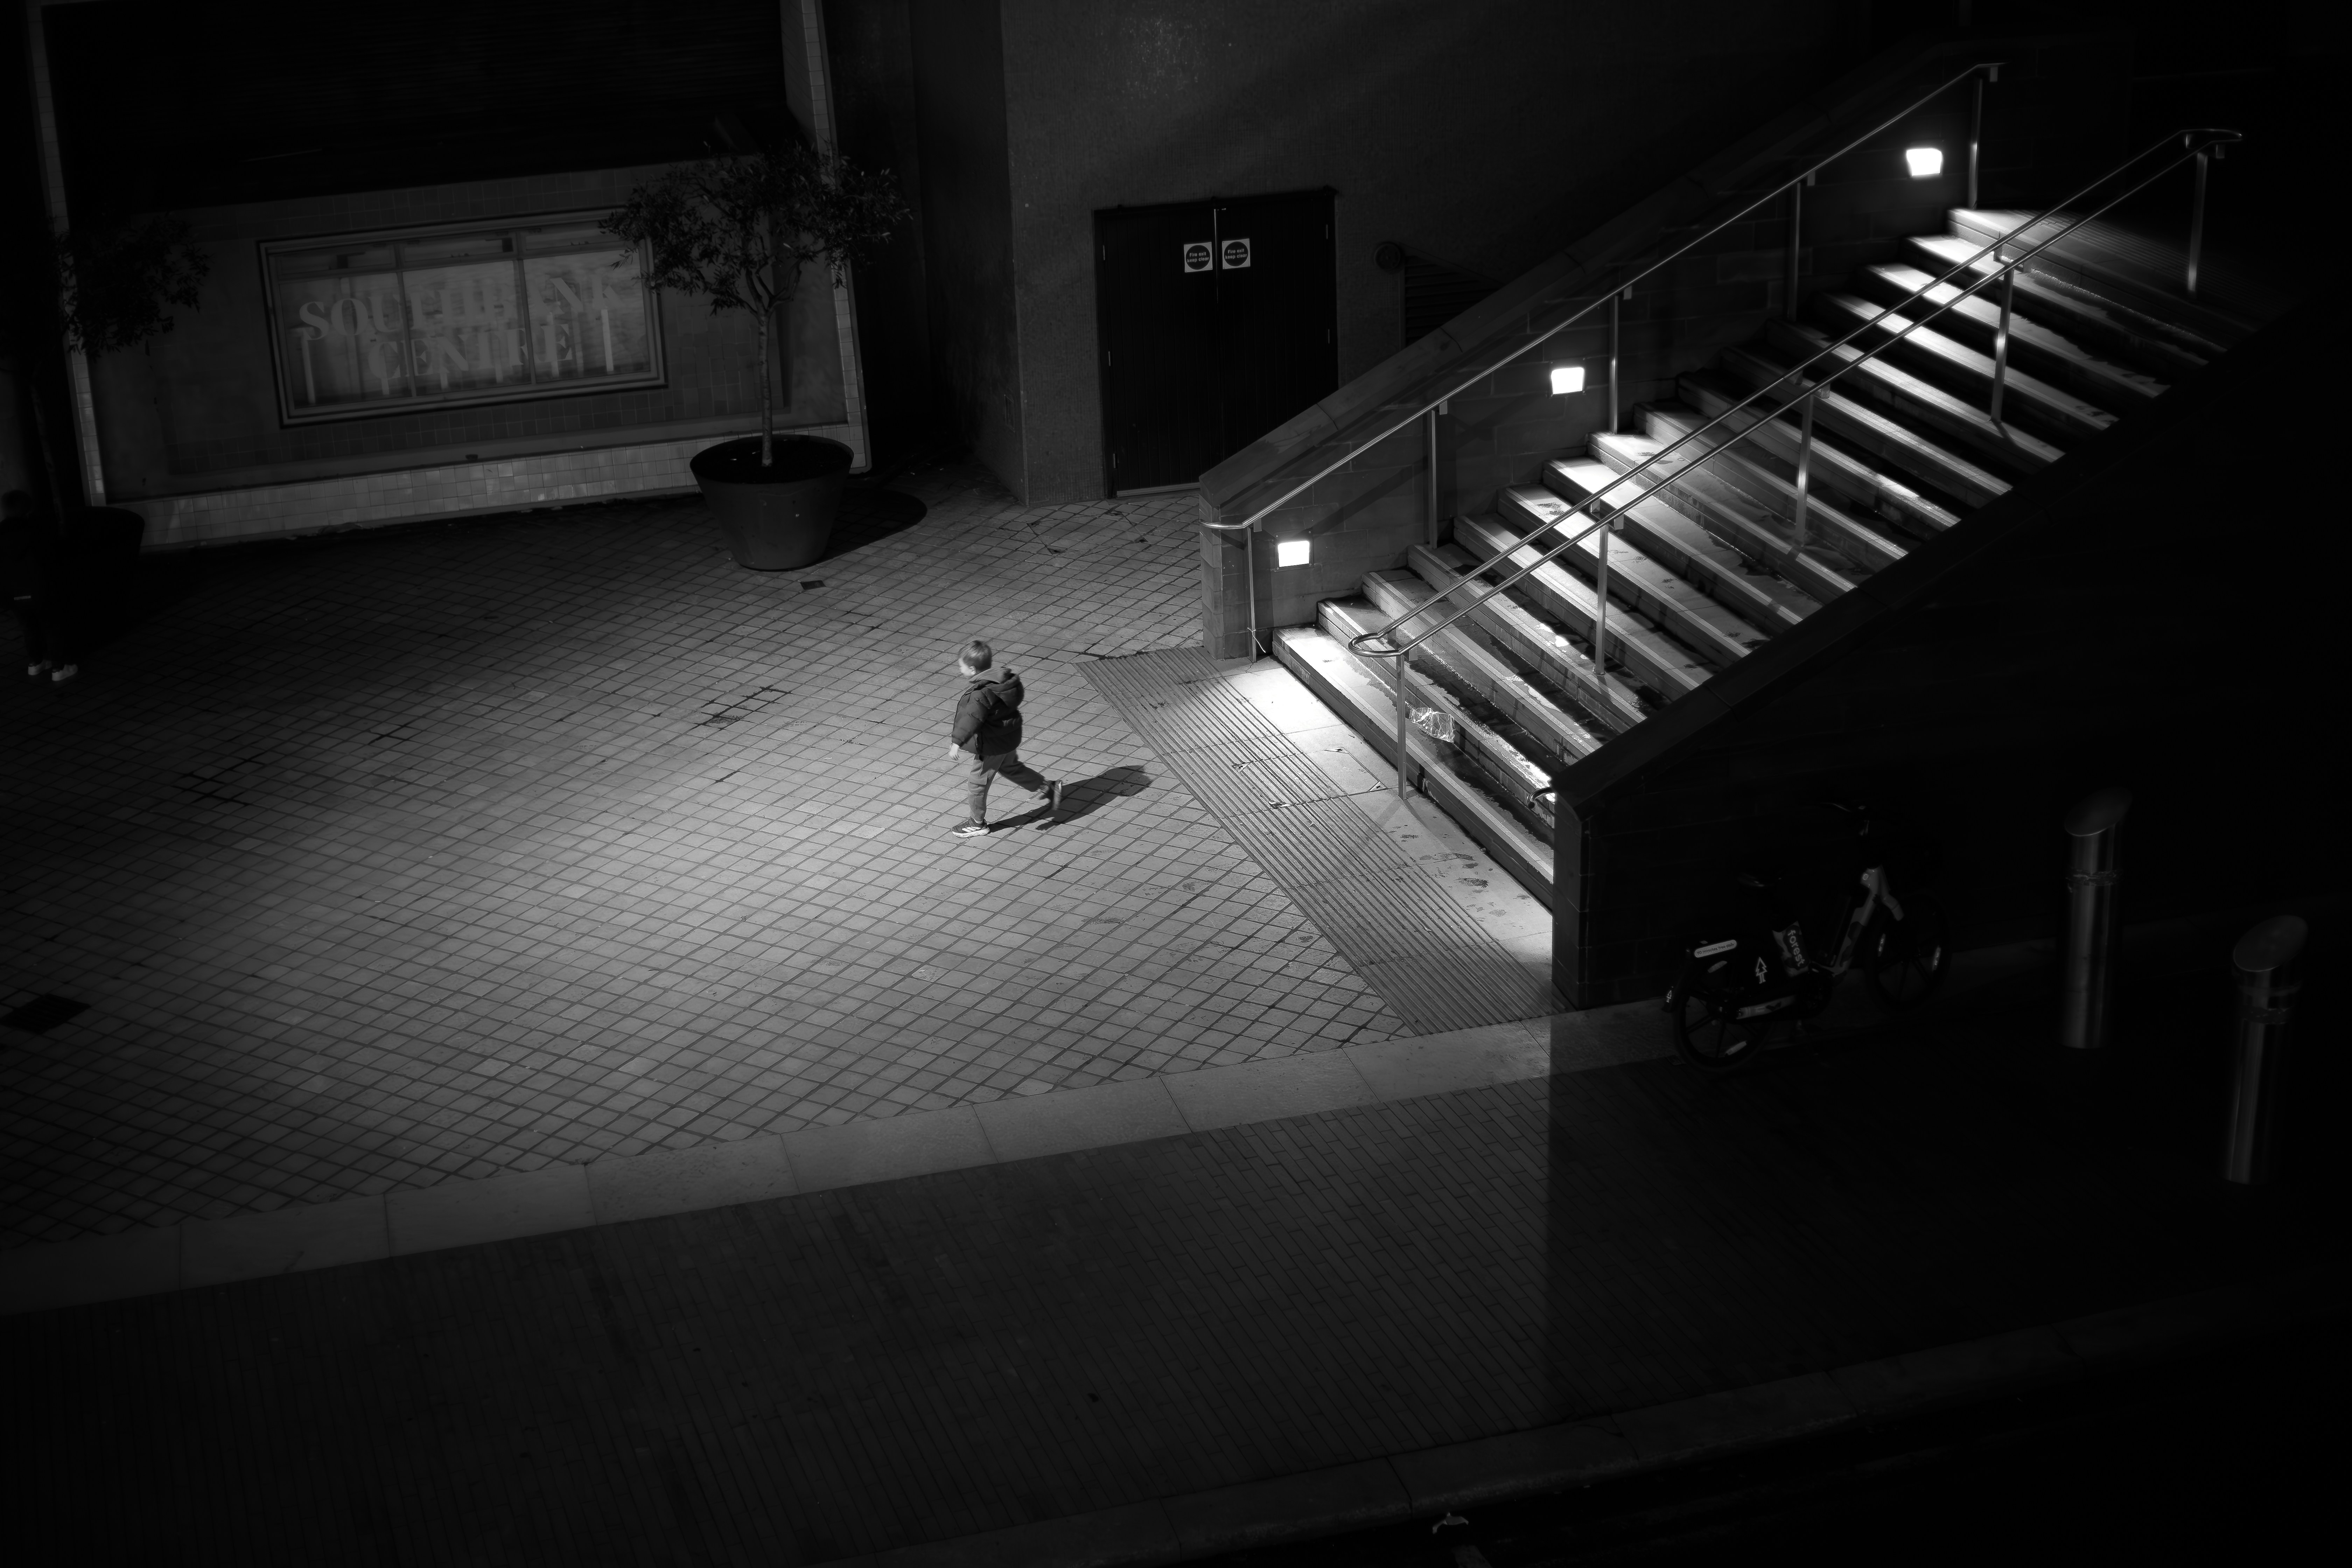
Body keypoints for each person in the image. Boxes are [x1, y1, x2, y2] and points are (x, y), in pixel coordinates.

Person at [946, 638, 1061, 837]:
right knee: (1011, 768)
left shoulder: (980, 694)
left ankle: (977, 823)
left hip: (992, 745)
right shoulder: (1004, 682)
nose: (960, 670)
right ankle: (1048, 788)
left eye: (961, 667)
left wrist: (957, 742)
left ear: (973, 670)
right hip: (1008, 737)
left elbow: (970, 719)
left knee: (977, 783)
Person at [1, 490, 75, 683]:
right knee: (51, 627)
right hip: (40, 591)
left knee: (29, 628)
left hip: (15, 595)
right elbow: (52, 560)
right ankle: (59, 668)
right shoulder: (37, 532)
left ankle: (36, 663)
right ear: (28, 510)